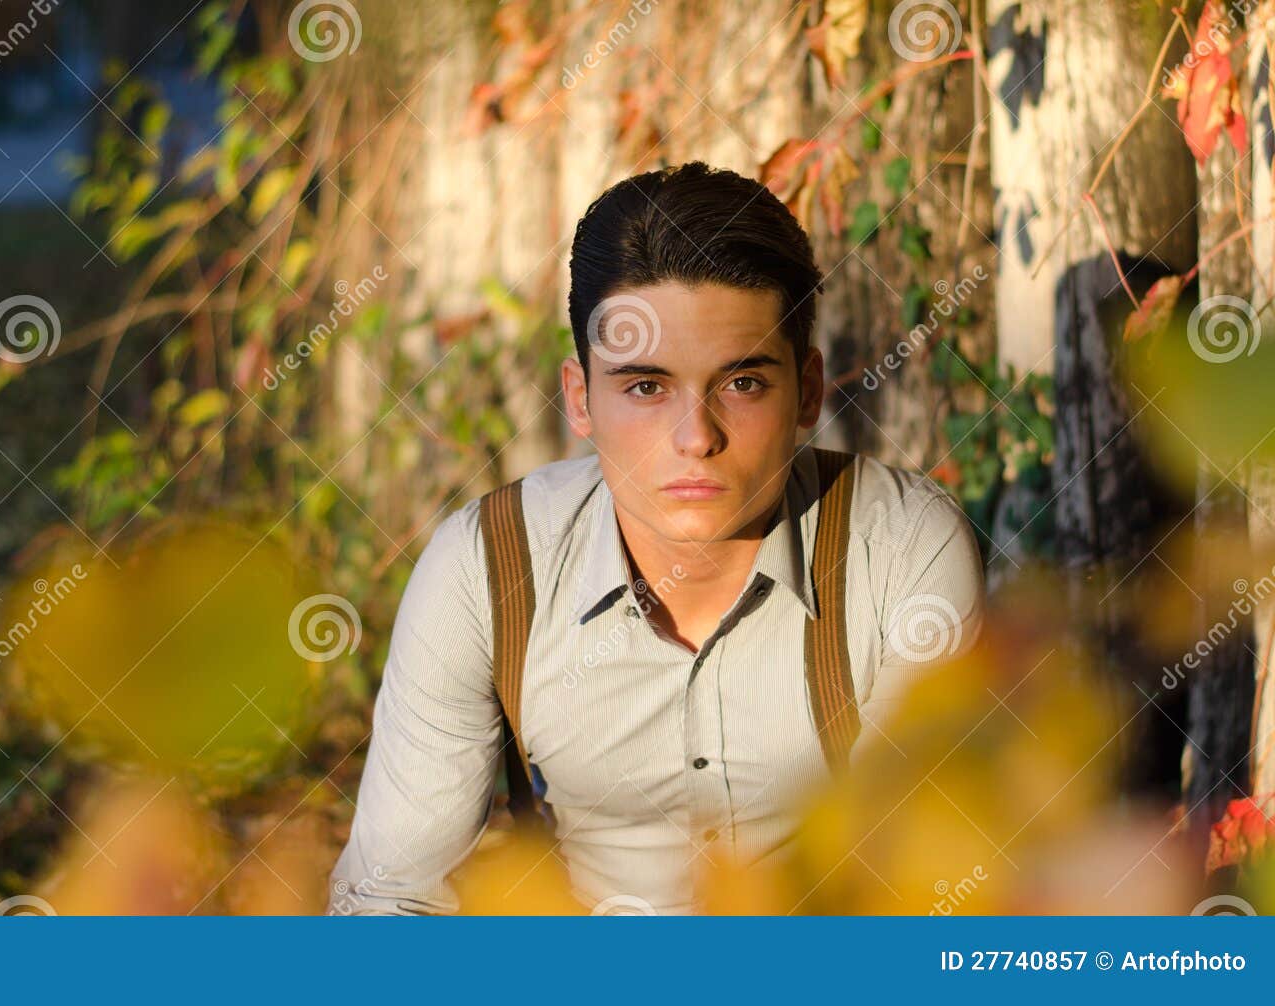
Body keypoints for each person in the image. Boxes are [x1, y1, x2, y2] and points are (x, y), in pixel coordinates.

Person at [327, 161, 986, 915]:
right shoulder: (486, 568)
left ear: (807, 391)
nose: (695, 437)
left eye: (742, 383)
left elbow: (917, 893)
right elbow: (388, 896)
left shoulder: (899, 549)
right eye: (645, 387)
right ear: (581, 399)